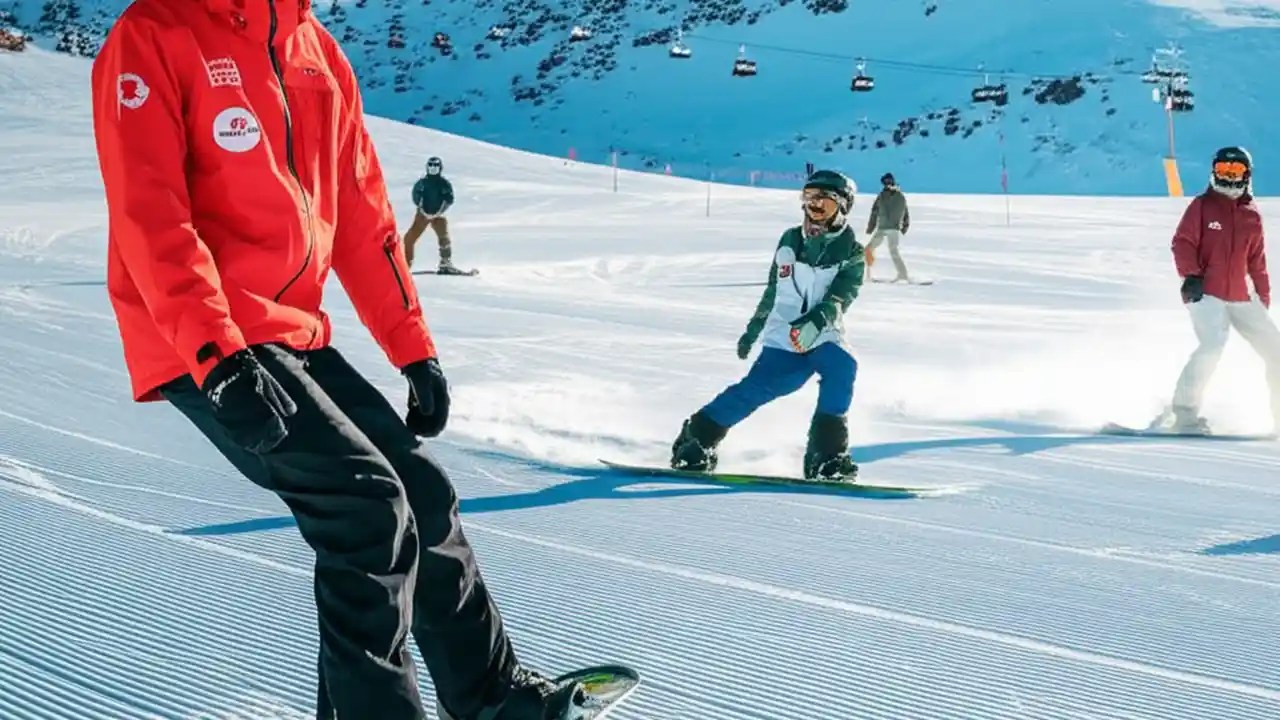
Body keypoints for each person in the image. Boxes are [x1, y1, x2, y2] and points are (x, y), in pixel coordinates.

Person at [89, 2, 591, 719]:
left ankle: (491, 700)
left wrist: (412, 347)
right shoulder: (154, 34)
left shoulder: (312, 47)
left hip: (291, 334)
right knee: (363, 507)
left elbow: (361, 213)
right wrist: (215, 355)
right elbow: (150, 214)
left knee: (420, 492)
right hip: (203, 337)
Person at [669, 170, 865, 481]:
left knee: (842, 366)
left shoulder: (852, 253)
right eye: (808, 200)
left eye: (822, 203)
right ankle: (697, 437)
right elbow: (774, 289)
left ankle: (827, 457)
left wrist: (816, 320)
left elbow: (842, 296)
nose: (813, 209)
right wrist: (754, 328)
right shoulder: (789, 240)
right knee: (765, 387)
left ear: (842, 207)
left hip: (822, 331)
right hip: (784, 334)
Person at [1154, 146, 1280, 434]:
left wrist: (1262, 298)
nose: (1230, 178)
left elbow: (1256, 262)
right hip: (1204, 293)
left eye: (1235, 172)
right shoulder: (1202, 206)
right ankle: (1184, 414)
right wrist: (1191, 276)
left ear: (1246, 175)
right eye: (1224, 171)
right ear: (1214, 171)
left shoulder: (1252, 215)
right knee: (1212, 346)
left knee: (1276, 352)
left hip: (1241, 296)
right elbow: (1182, 242)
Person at [403, 156, 460, 272]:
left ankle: (446, 262)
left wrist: (440, 211)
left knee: (444, 237)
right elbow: (416, 196)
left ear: (440, 167)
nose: (433, 168)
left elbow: (449, 198)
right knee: (409, 238)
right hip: (423, 215)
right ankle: (405, 264)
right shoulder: (422, 183)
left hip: (439, 215)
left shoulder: (444, 183)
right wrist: (422, 209)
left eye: (435, 165)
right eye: (431, 165)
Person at [865, 172, 912, 282]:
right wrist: (905, 226)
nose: (887, 184)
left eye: (888, 182)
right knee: (871, 249)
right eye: (885, 182)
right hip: (887, 228)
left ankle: (902, 274)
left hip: (888, 227)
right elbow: (906, 213)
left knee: (873, 249)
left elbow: (875, 212)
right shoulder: (899, 196)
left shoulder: (885, 196)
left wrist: (870, 227)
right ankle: (868, 274)